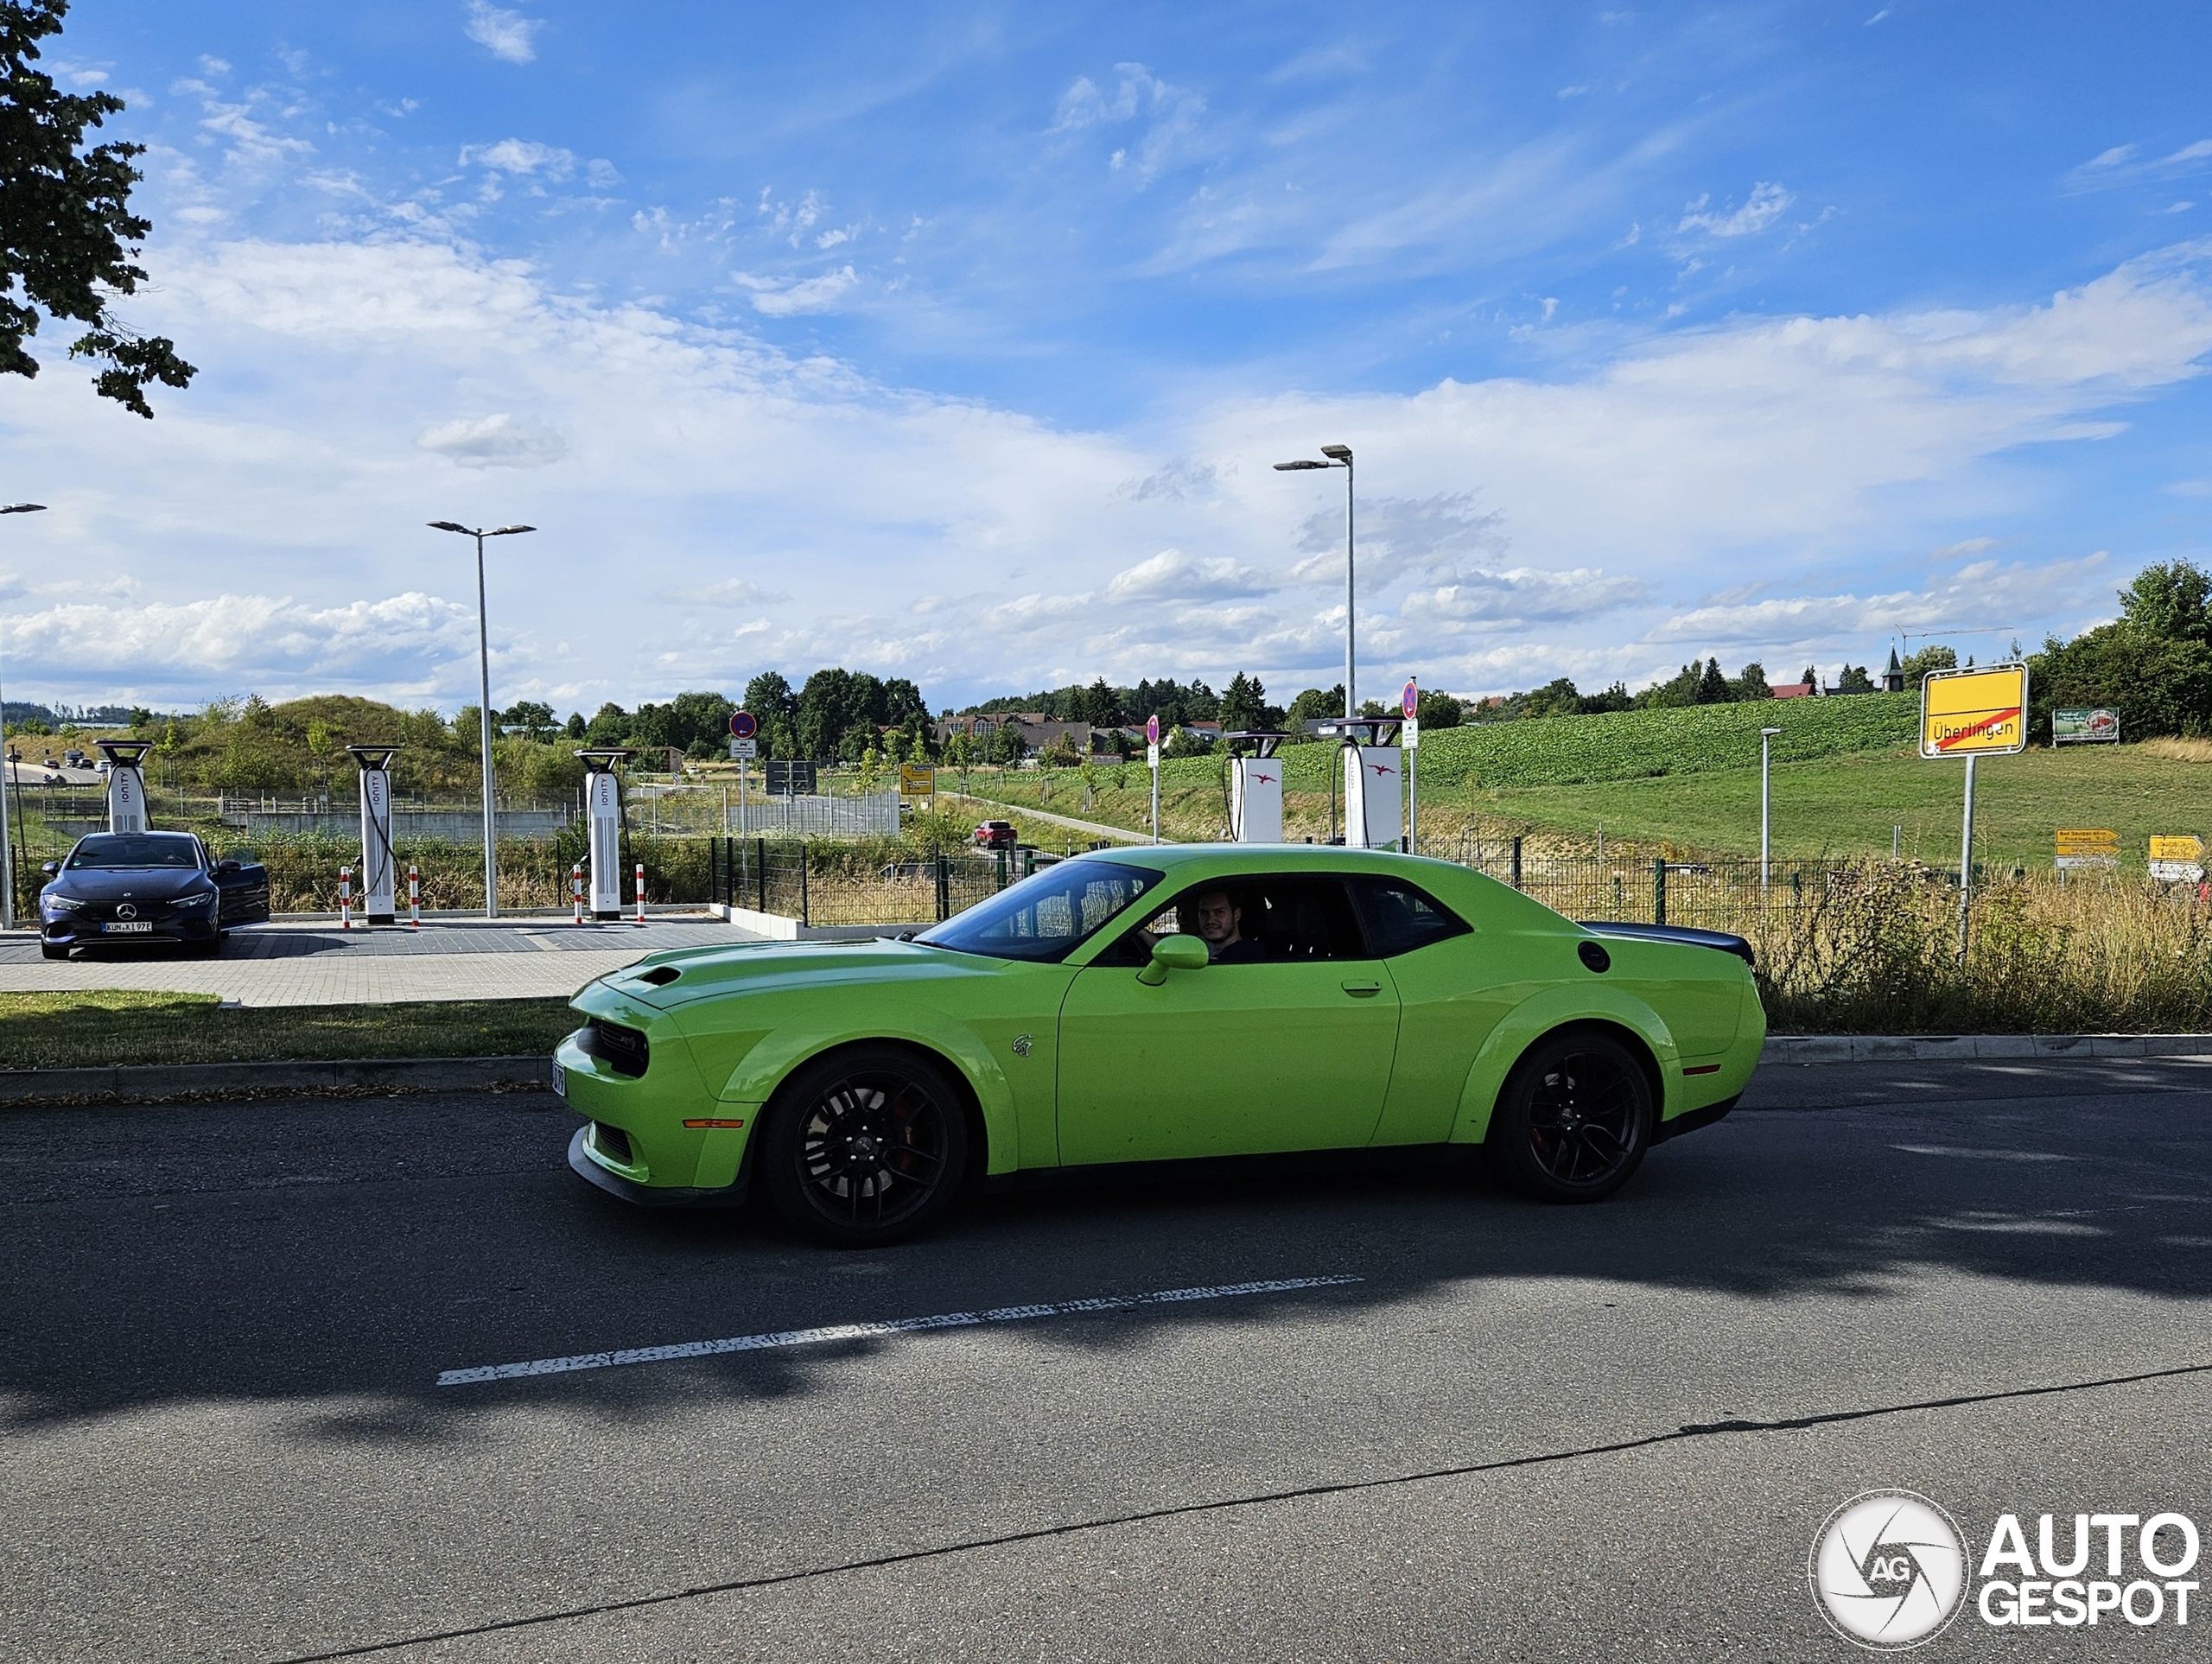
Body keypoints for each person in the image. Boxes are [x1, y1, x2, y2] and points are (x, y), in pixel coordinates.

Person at [1190, 886, 1266, 963]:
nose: (1210, 920)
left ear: (1236, 915)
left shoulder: (1249, 955)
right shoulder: (1196, 950)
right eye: (1204, 913)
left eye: (1219, 912)